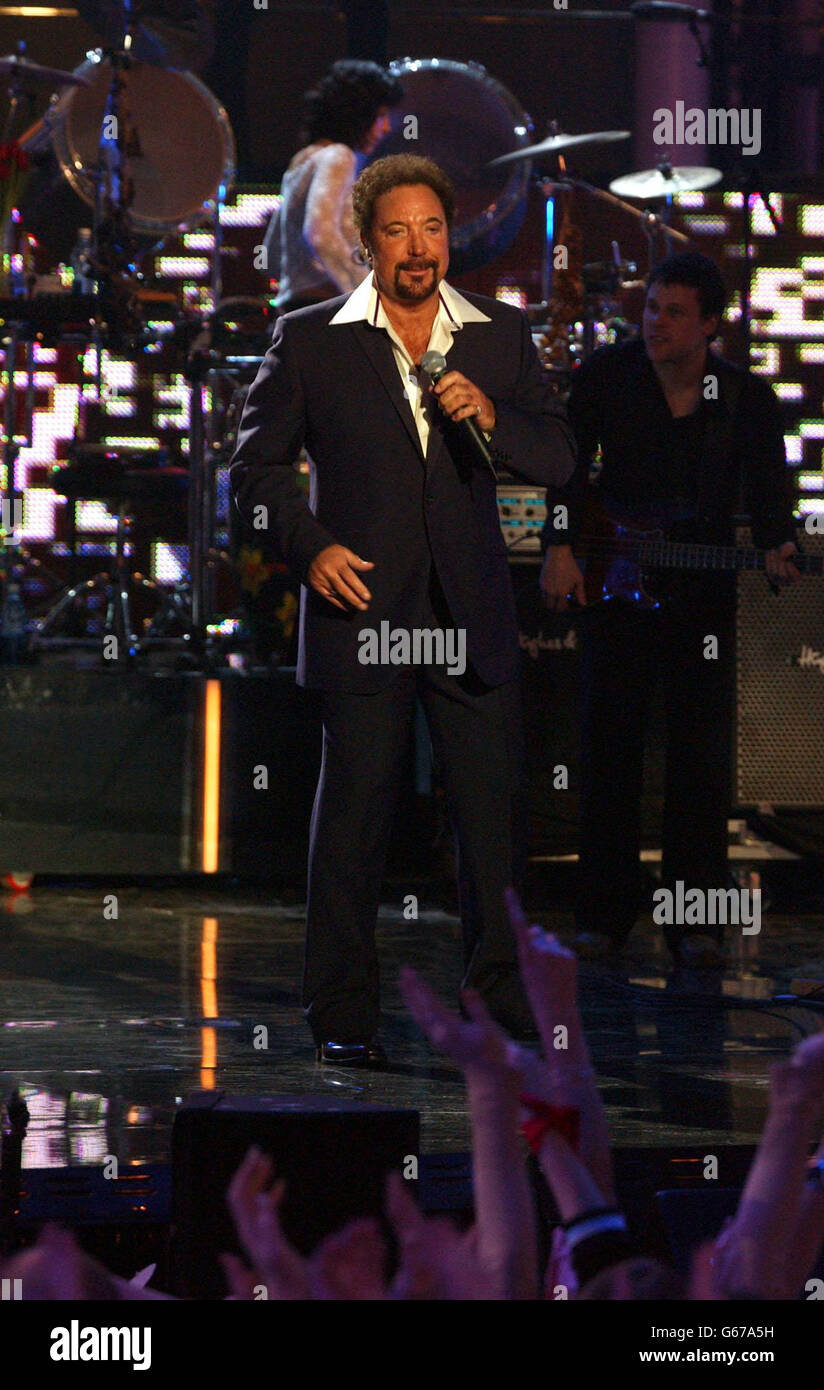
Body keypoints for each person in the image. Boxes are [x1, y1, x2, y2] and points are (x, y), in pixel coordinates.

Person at [231, 153, 576, 1065]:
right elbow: (253, 477)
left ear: (448, 236)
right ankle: (343, 1018)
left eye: (431, 229)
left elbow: (561, 458)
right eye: (396, 230)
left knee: (490, 822)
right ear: (367, 240)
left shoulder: (499, 337)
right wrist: (309, 547)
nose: (417, 248)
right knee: (353, 821)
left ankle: (499, 1012)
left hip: (470, 616)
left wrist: (495, 417)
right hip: (364, 613)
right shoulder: (311, 338)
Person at [540, 251, 799, 967]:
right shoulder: (603, 379)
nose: (656, 323)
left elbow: (772, 497)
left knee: (700, 763)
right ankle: (603, 915)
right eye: (651, 309)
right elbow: (566, 470)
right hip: (615, 587)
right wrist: (560, 544)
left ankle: (694, 923)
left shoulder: (746, 401)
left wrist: (779, 546)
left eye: (675, 313)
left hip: (701, 597)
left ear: (711, 325)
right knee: (609, 754)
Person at [262, 60, 402, 315]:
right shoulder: (339, 157)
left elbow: (272, 254)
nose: (386, 127)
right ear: (358, 114)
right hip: (325, 312)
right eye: (380, 116)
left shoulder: (305, 158)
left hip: (295, 311)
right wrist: (371, 294)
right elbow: (319, 235)